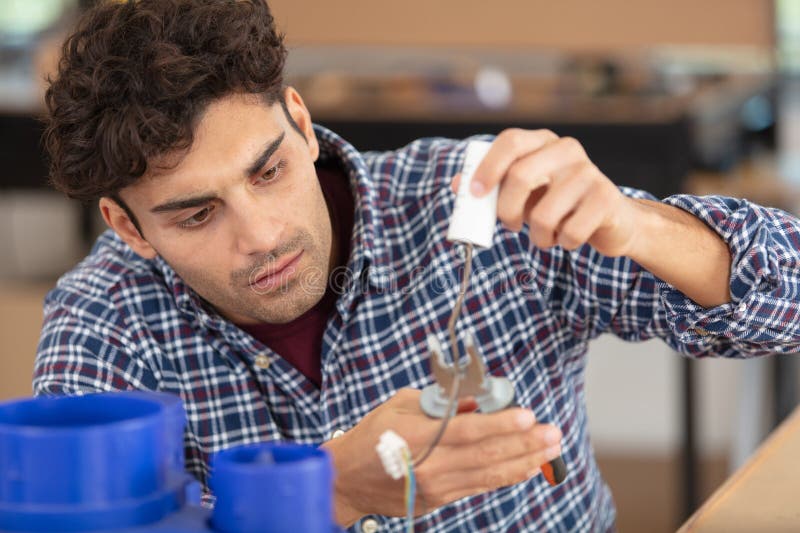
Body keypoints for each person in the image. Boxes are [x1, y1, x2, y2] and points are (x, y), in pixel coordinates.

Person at [34, 0, 800, 531]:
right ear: (127, 226)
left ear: (299, 122)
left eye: (268, 171)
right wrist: (327, 489)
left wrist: (639, 223)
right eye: (197, 214)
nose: (262, 236)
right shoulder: (104, 319)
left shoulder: (477, 200)